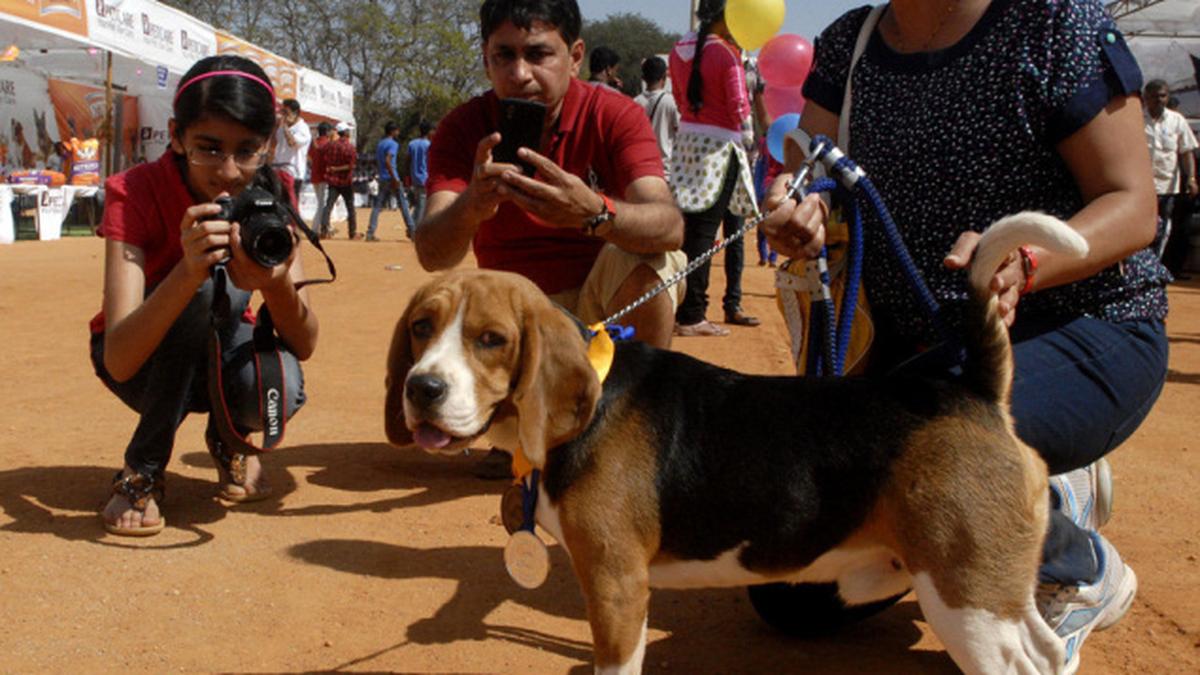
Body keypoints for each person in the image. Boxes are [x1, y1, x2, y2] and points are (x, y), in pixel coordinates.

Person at [762, 1, 1167, 670]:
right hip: (924, 358)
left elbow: (1132, 205)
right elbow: (816, 175)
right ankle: (1040, 489)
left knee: (929, 446)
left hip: (1084, 326)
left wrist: (1025, 260)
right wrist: (799, 207)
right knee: (793, 598)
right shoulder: (850, 43)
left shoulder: (1055, 24)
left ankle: (1075, 565)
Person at [92, 55, 319, 536]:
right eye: (208, 149)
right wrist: (187, 271)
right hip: (145, 362)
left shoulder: (271, 191)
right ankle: (144, 468)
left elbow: (305, 342)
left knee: (281, 382)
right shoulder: (134, 190)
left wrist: (274, 281)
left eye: (247, 150)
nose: (229, 171)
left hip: (222, 356)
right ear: (176, 135)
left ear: (269, 144)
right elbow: (119, 358)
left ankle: (227, 438)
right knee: (197, 297)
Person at [668, 0, 760, 336]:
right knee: (707, 234)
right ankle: (693, 314)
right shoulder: (727, 53)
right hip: (721, 149)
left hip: (688, 145)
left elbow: (679, 96)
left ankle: (679, 307)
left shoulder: (680, 48)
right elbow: (739, 105)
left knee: (687, 231)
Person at [1143, 79, 1198, 277]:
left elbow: (1186, 151)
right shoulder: (1136, 120)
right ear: (1145, 98)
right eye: (1154, 96)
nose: (1159, 100)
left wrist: (1191, 178)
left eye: (1162, 96)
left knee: (1163, 228)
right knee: (1142, 228)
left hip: (1167, 187)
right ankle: (1140, 268)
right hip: (1141, 187)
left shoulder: (1177, 121)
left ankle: (1155, 269)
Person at [633, 55, 680, 177]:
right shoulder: (671, 102)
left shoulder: (634, 103)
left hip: (641, 169)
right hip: (665, 170)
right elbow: (680, 132)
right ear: (664, 77)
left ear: (643, 77)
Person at [369, 121, 415, 240]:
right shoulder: (393, 144)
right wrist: (395, 178)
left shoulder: (380, 144)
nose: (398, 132)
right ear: (393, 131)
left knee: (377, 206)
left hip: (383, 178)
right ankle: (412, 230)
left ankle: (370, 232)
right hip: (391, 177)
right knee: (403, 205)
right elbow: (388, 161)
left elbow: (379, 161)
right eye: (397, 130)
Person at [321, 122, 359, 239]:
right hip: (345, 181)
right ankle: (352, 233)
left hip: (333, 180)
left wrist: (332, 168)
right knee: (350, 208)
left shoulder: (330, 145)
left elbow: (321, 152)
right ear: (346, 133)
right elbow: (351, 166)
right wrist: (338, 168)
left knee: (328, 206)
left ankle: (324, 230)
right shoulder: (350, 147)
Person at [271, 98, 312, 197]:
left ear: (296, 113)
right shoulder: (281, 128)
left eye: (286, 112)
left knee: (291, 203)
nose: (283, 115)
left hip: (294, 172)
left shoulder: (302, 128)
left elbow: (293, 144)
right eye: (282, 111)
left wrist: (285, 127)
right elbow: (273, 143)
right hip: (278, 168)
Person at [310, 121, 335, 238]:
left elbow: (310, 157)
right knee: (322, 205)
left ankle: (326, 226)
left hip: (315, 176)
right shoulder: (328, 144)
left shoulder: (314, 143)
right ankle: (316, 228)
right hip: (324, 177)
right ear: (328, 131)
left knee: (321, 203)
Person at [408, 120, 434, 227]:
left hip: (414, 177)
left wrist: (408, 176)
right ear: (428, 132)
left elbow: (407, 161)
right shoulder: (429, 145)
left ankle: (411, 226)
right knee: (422, 206)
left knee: (419, 204)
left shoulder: (412, 143)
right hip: (425, 178)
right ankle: (414, 229)